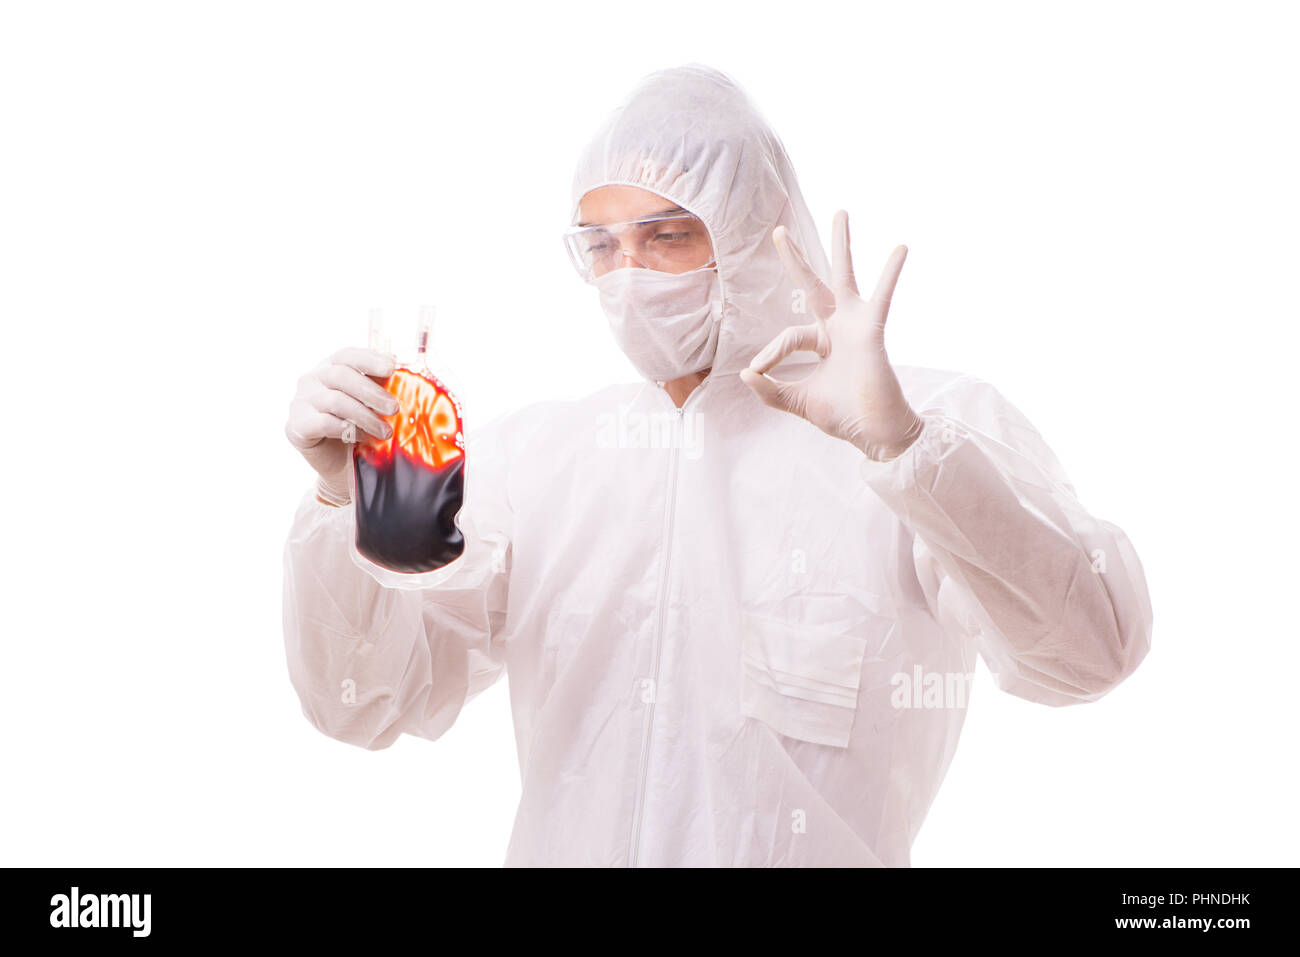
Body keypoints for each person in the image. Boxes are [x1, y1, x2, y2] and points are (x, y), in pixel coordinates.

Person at [282, 64, 1152, 867]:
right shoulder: (543, 462)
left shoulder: (918, 429)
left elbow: (1090, 653)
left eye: (665, 236)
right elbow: (366, 700)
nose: (628, 274)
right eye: (602, 245)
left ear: (751, 233)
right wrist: (340, 499)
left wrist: (909, 451)